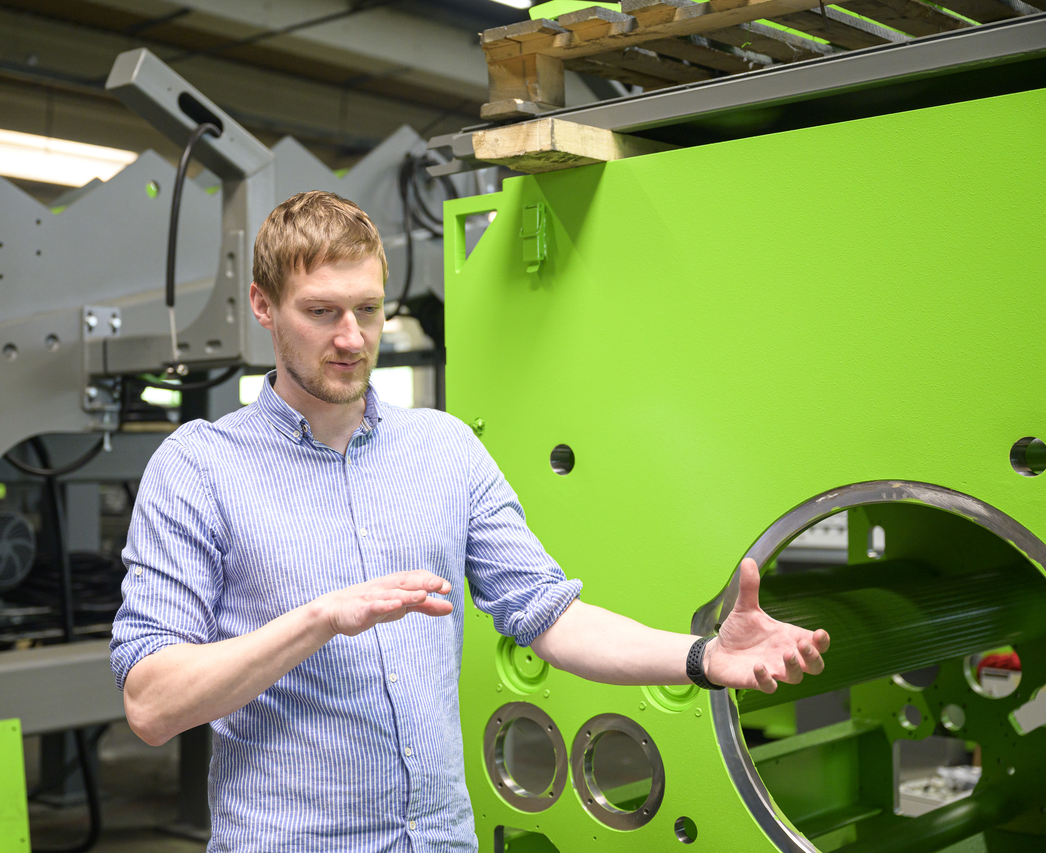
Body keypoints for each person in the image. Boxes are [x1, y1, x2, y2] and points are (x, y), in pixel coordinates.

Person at [110, 190, 830, 852]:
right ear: (263, 307)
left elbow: (550, 615)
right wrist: (320, 617)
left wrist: (704, 655)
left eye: (369, 308)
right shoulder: (200, 468)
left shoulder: (445, 448)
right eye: (322, 311)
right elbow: (152, 701)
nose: (354, 338)